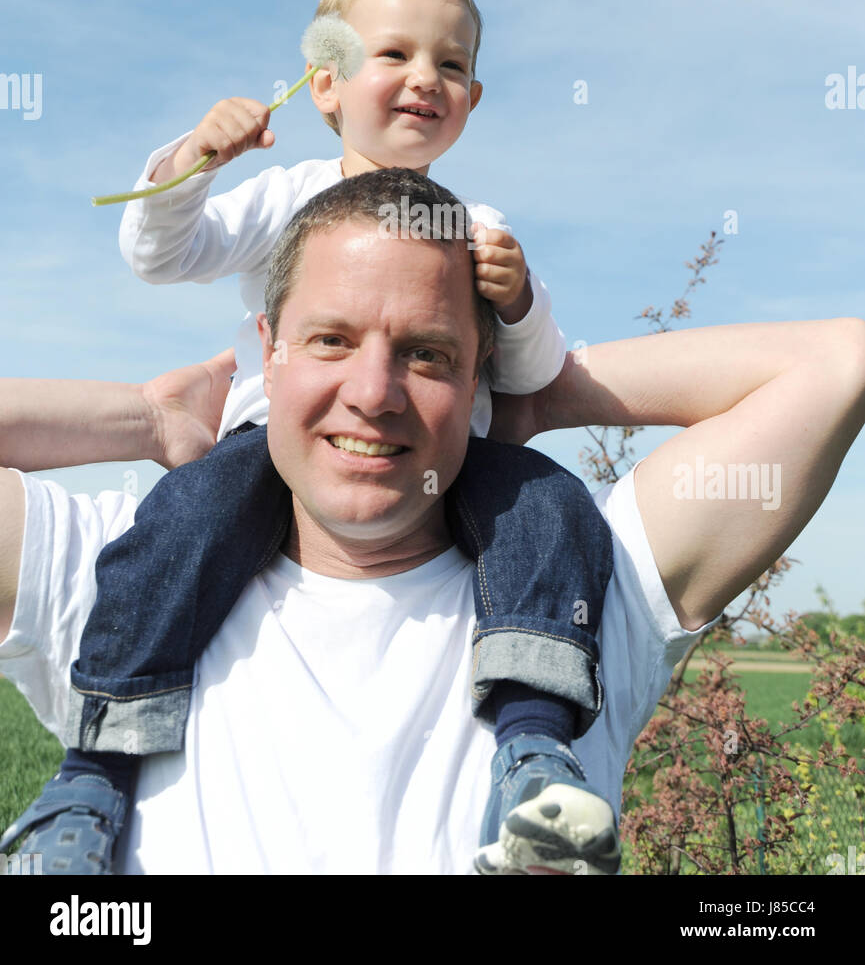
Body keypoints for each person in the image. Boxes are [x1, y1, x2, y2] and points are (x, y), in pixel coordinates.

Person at [1, 168, 862, 875]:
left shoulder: (586, 583)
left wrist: (539, 388)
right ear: (269, 351)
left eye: (426, 353)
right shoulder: (117, 572)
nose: (374, 394)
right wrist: (147, 418)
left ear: (478, 372)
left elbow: (840, 360)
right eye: (331, 340)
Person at [2, 0, 625, 875]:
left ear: (473, 100)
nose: (426, 79)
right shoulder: (291, 196)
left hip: (450, 456)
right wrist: (197, 157)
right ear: (322, 84)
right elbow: (159, 250)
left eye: (451, 65)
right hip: (281, 450)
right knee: (182, 523)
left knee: (546, 506)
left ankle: (532, 748)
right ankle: (93, 773)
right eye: (396, 55)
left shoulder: (474, 226)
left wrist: (520, 298)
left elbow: (531, 376)